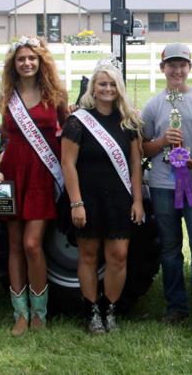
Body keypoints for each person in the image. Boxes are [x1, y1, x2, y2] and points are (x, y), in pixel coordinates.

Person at [141, 43, 192, 337]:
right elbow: (142, 147)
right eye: (171, 65)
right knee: (170, 248)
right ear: (162, 68)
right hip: (162, 185)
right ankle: (176, 307)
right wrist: (162, 142)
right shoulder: (153, 106)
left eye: (182, 65)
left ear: (190, 67)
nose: (177, 70)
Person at [61, 62, 144, 334]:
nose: (107, 89)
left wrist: (137, 201)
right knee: (88, 255)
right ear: (93, 88)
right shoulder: (78, 121)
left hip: (119, 199)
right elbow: (68, 164)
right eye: (102, 84)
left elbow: (135, 164)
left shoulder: (128, 122)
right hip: (88, 199)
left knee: (118, 256)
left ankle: (110, 309)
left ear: (119, 89)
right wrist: (76, 203)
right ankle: (91, 311)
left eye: (112, 84)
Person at [0, 36, 68, 336]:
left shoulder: (56, 95)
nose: (27, 63)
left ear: (41, 61)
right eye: (21, 59)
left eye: (32, 58)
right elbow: (5, 131)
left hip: (42, 174)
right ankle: (20, 314)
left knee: (31, 244)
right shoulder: (7, 95)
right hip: (12, 174)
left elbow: (69, 128)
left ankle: (39, 312)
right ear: (13, 64)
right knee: (14, 245)